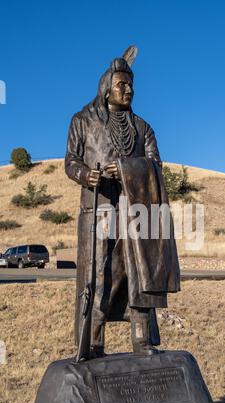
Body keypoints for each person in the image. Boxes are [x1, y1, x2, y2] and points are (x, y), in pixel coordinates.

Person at [65, 46, 180, 357]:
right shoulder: (82, 121)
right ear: (107, 88)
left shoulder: (142, 129)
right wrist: (85, 175)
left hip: (136, 211)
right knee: (96, 277)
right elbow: (70, 161)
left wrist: (129, 169)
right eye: (122, 84)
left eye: (131, 85)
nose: (129, 89)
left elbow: (156, 166)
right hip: (97, 210)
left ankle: (142, 340)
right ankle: (92, 343)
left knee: (139, 273)